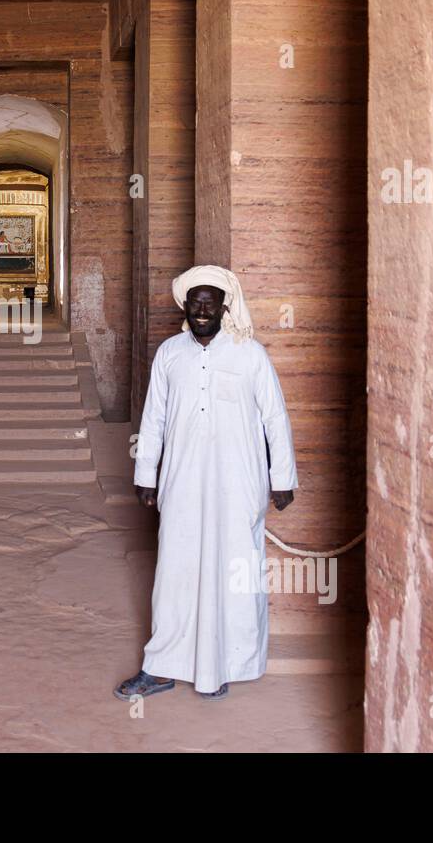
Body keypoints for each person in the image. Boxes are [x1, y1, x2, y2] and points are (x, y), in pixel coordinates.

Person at [115, 265, 297, 701]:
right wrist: (146, 474)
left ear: (223, 306)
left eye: (209, 301)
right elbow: (154, 419)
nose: (201, 309)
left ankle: (225, 665)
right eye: (194, 301)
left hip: (239, 482)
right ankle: (160, 666)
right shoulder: (170, 354)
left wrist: (282, 478)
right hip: (181, 481)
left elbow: (275, 418)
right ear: (186, 305)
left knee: (233, 570)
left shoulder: (249, 354)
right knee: (175, 572)